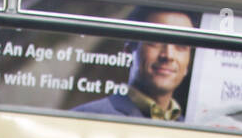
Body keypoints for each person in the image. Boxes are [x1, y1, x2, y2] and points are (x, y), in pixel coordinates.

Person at [71, 8, 199, 121]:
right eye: (156, 41)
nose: (168, 55)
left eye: (181, 46)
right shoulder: (87, 118)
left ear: (188, 64)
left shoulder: (195, 133)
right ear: (128, 53)